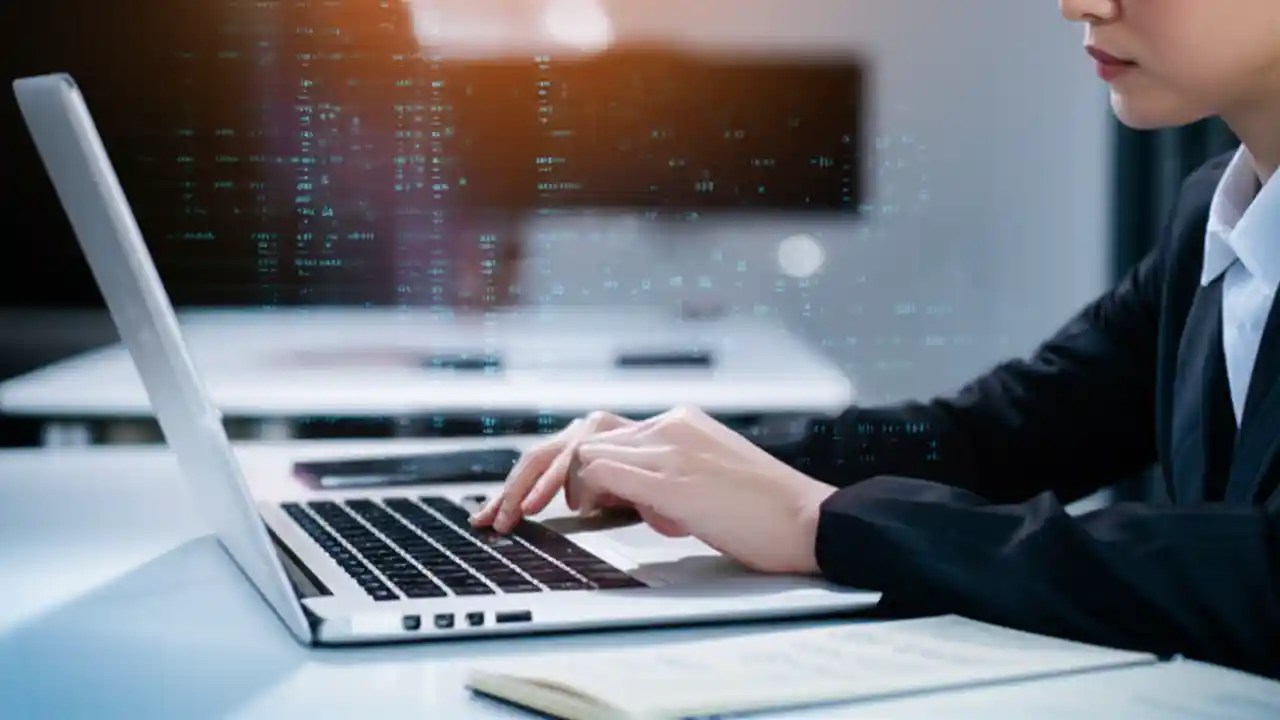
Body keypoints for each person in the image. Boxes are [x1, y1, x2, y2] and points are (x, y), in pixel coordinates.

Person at [472, 0, 1280, 680]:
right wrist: (686, 460)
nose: (1078, 4)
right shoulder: (1219, 209)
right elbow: (998, 435)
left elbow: (1260, 574)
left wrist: (824, 520)